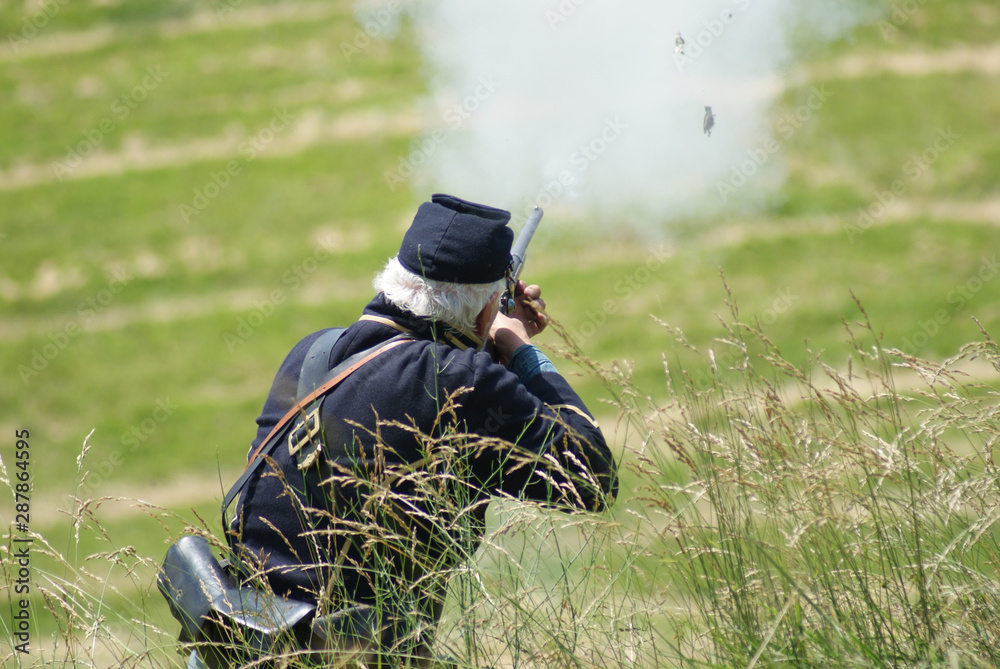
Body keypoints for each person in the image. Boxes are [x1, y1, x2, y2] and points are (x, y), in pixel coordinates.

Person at [227, 193, 618, 665]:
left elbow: (405, 402)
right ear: (483, 311)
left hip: (235, 642)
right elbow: (592, 477)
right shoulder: (464, 380)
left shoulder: (313, 353)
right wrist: (518, 350)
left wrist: (483, 350)